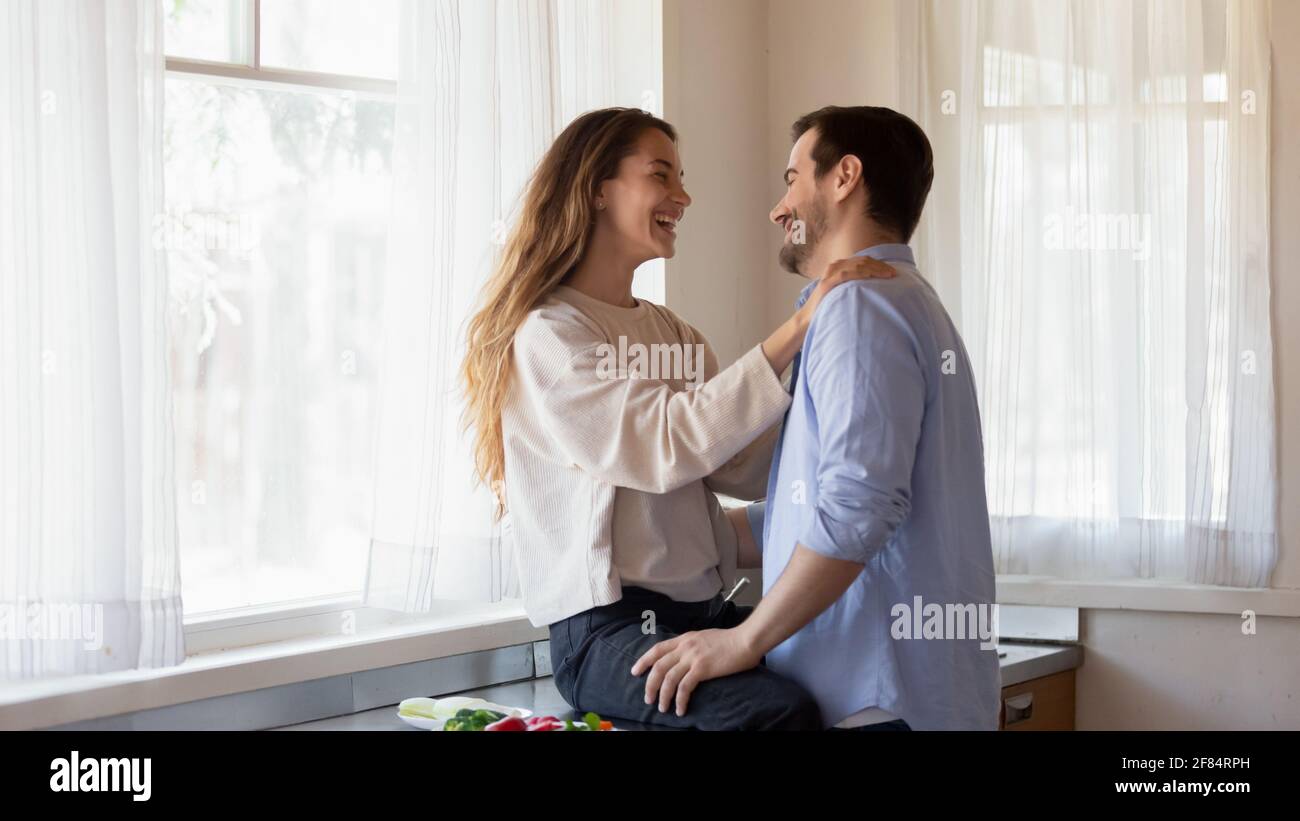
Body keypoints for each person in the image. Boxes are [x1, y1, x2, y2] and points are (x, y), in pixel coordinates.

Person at [460, 107, 896, 730]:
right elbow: (666, 445)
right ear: (596, 189)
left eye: (681, 178)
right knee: (777, 715)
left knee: (847, 671)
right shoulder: (549, 337)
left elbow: (739, 465)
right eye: (661, 175)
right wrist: (800, 327)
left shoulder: (671, 333)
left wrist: (844, 383)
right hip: (607, 633)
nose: (683, 196)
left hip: (705, 612)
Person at [632, 106, 1001, 731]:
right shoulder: (908, 300)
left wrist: (742, 640)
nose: (780, 208)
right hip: (913, 696)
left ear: (844, 176)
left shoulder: (859, 306)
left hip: (874, 699)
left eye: (791, 178)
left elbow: (858, 507)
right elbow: (820, 508)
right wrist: (670, 528)